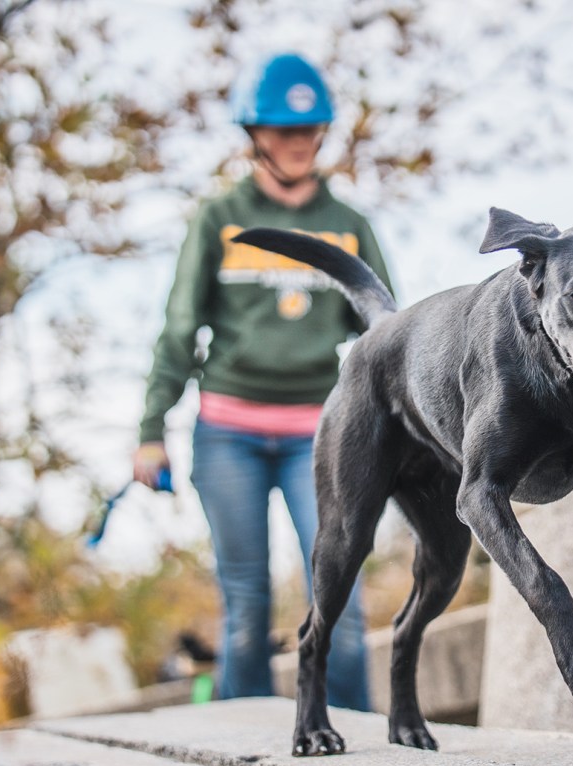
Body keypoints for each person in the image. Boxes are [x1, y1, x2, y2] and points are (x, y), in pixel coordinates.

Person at [133, 53, 391, 711]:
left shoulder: (349, 226)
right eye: (281, 131)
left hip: (323, 438)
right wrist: (150, 431)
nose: (297, 143)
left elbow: (385, 334)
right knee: (245, 608)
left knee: (343, 606)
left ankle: (364, 759)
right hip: (229, 438)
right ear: (255, 135)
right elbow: (179, 326)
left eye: (308, 131)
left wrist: (407, 427)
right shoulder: (220, 218)